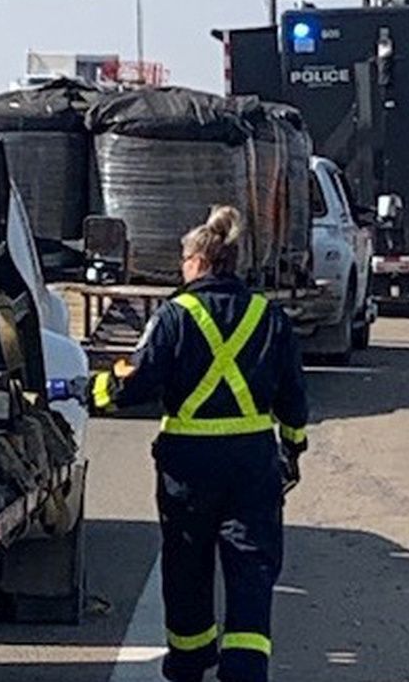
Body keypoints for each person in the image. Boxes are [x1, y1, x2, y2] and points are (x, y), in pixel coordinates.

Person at [90, 206, 309, 682]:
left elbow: (141, 379)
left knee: (187, 564)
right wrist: (291, 449)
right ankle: (245, 670)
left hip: (188, 468)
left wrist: (97, 391)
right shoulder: (266, 314)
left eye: (184, 259)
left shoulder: (175, 314)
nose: (181, 267)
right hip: (252, 463)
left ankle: (190, 662)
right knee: (251, 569)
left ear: (199, 261)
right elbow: (293, 393)